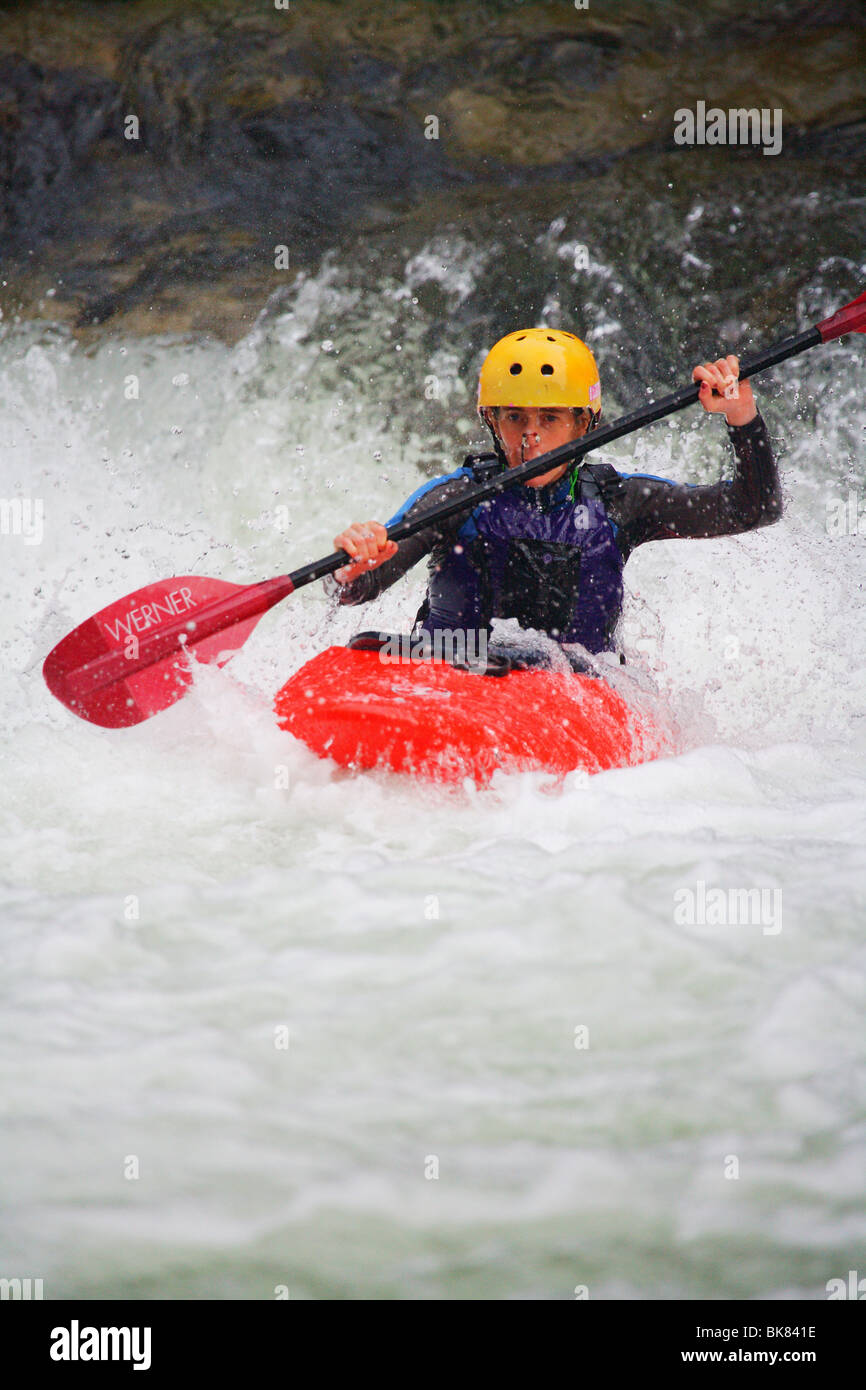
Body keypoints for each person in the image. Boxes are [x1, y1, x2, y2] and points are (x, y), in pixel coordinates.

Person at [323, 328, 782, 665]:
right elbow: (357, 588)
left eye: (550, 418)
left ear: (585, 424)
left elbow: (754, 509)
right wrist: (354, 569)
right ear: (491, 422)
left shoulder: (622, 502)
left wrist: (742, 416)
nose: (530, 438)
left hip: (573, 700)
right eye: (515, 418)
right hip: (451, 681)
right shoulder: (455, 499)